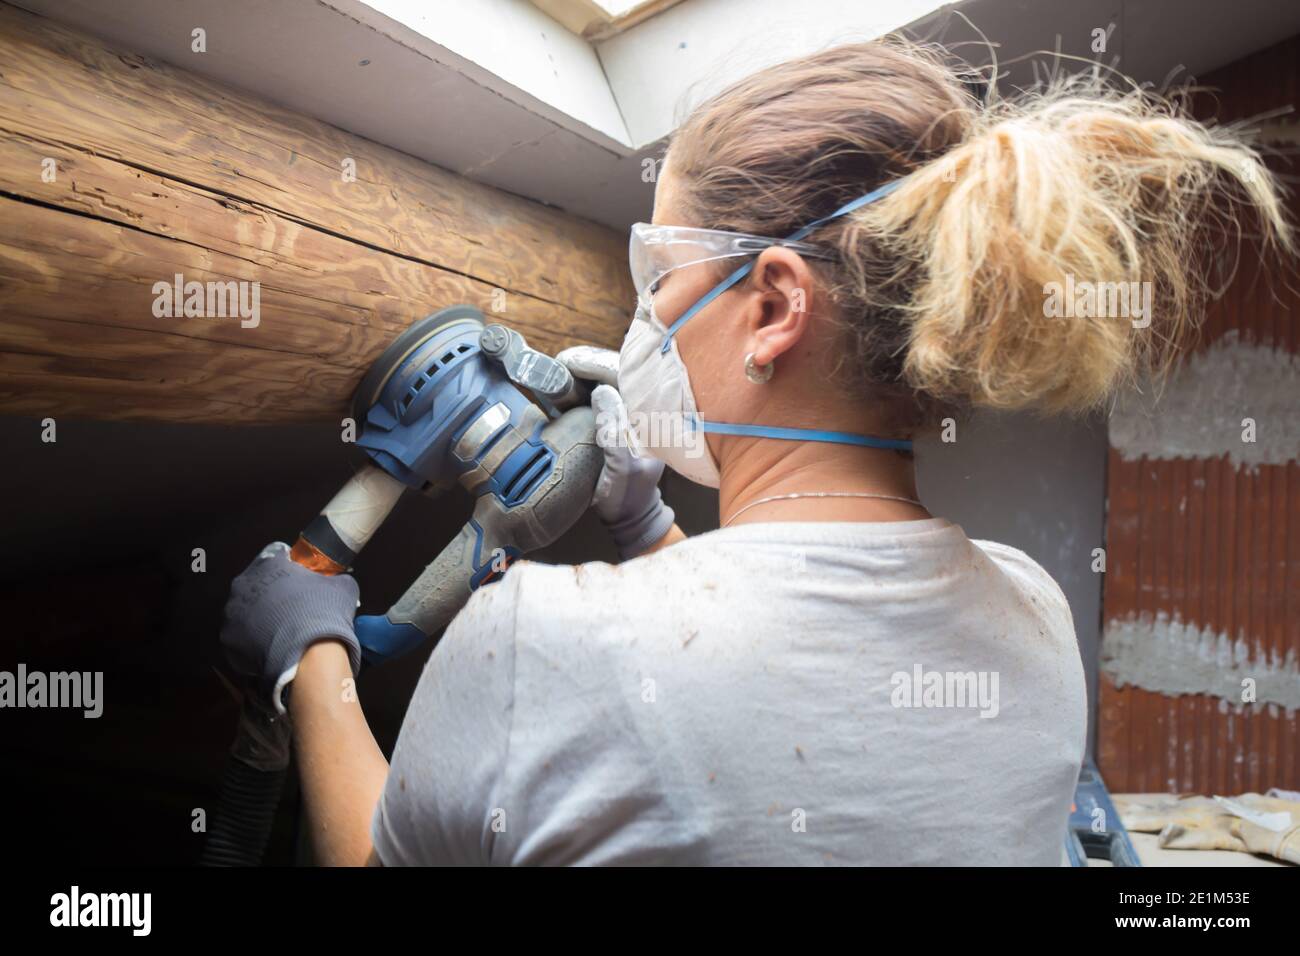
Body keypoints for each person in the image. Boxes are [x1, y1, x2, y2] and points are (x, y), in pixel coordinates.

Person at [219, 40, 1290, 865]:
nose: (643, 325)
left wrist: (309, 667)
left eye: (661, 281)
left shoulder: (534, 644)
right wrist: (648, 530)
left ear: (774, 303)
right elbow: (782, 686)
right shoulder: (1031, 609)